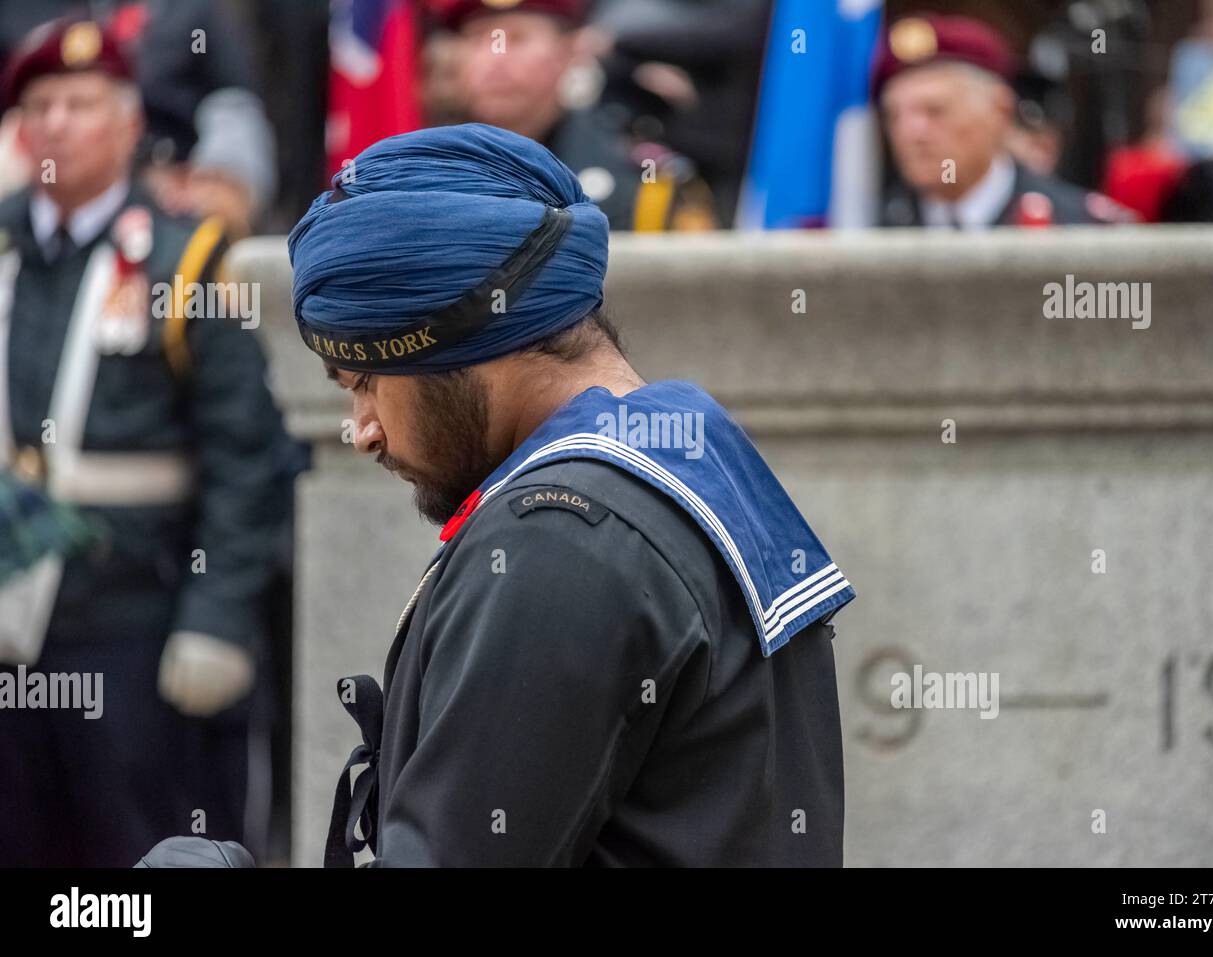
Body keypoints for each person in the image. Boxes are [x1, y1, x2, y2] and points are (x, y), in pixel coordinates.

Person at [140, 122, 853, 868]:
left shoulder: (560, 537)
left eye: (364, 383)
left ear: (464, 347)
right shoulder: (689, 447)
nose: (365, 431)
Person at [0, 16, 291, 866]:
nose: (56, 123)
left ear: (130, 125)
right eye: (40, 105)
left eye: (81, 103)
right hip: (11, 625)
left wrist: (219, 616)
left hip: (135, 625)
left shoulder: (192, 260)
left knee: (136, 859)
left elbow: (248, 453)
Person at [440, 0, 717, 231]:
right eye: (477, 40)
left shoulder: (644, 182)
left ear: (569, 52)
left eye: (518, 38)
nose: (495, 59)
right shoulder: (429, 171)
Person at [874, 13, 1133, 228]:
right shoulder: (869, 227)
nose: (910, 132)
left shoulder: (1081, 228)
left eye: (935, 110)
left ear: (1000, 111)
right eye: (894, 115)